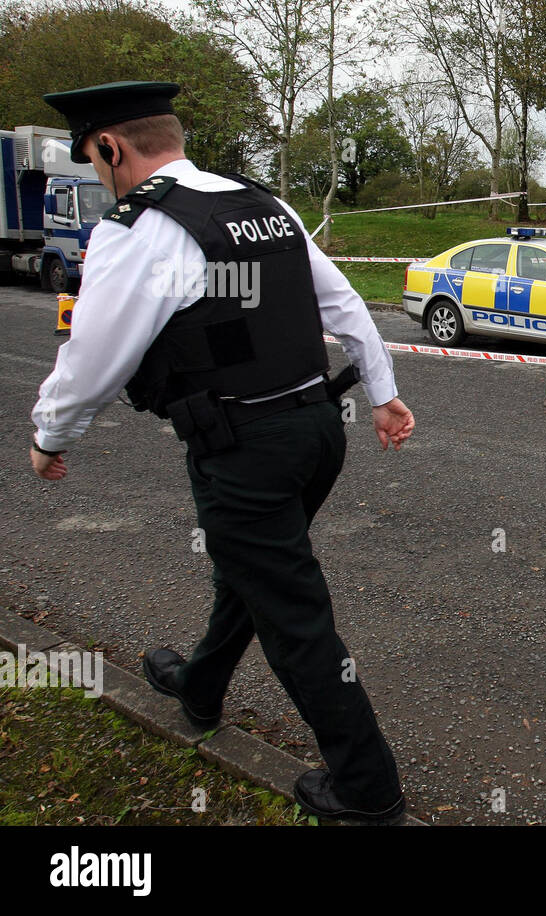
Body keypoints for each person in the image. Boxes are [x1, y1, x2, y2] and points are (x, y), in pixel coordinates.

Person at [31, 81, 413, 824]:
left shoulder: (138, 229)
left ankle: (369, 791)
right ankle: (200, 687)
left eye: (90, 159)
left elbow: (93, 358)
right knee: (253, 569)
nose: (95, 173)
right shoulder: (260, 203)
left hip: (244, 447)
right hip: (316, 431)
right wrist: (382, 392)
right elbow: (340, 303)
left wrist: (51, 437)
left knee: (292, 615)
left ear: (112, 146)